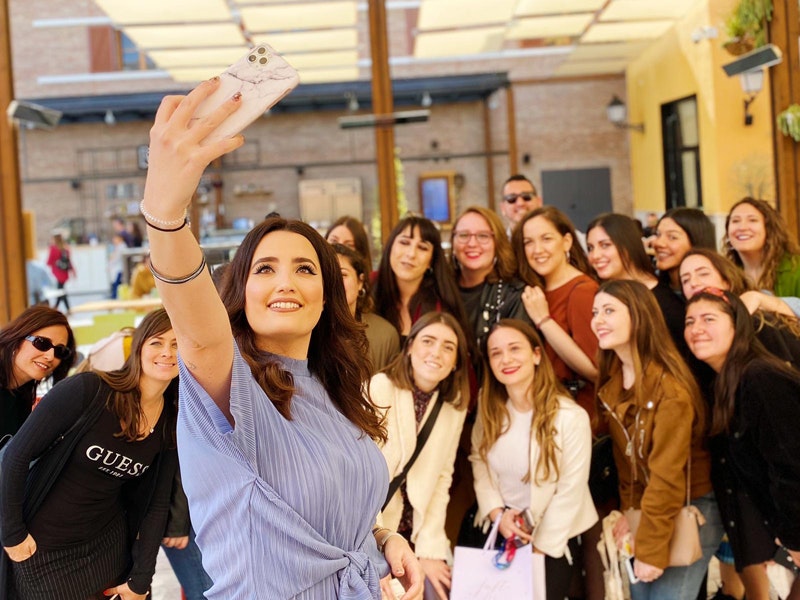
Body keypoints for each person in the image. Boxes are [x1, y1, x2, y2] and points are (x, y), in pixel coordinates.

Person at [139, 78, 422, 599]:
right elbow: (198, 333)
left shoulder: (332, 388)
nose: (285, 282)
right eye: (265, 269)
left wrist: (381, 537)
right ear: (240, 290)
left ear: (327, 295)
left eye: (305, 269)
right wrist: (164, 214)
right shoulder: (227, 381)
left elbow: (334, 499)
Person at [1, 308, 179, 600]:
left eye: (177, 344)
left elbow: (156, 505)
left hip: (106, 547)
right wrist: (12, 536)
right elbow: (15, 457)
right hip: (44, 548)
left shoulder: (171, 423)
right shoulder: (89, 389)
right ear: (139, 347)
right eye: (157, 342)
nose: (167, 353)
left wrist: (142, 578)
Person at [592, 280, 722, 599]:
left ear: (638, 317)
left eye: (609, 310)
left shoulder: (671, 391)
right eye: (595, 312)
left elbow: (667, 476)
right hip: (652, 508)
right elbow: (629, 465)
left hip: (690, 505)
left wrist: (650, 548)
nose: (598, 320)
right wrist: (629, 512)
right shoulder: (613, 384)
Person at [685, 288, 800, 600]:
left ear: (737, 326)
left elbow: (792, 465)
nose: (696, 329)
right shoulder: (725, 384)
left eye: (709, 319)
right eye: (690, 321)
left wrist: (795, 538)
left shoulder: (760, 378)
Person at [470, 319, 597, 600]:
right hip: (502, 530)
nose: (506, 359)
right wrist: (497, 515)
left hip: (553, 538)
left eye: (515, 348)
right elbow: (479, 462)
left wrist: (535, 553)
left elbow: (570, 491)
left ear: (536, 355)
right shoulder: (489, 406)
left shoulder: (570, 417)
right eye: (496, 353)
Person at [373, 312, 471, 600]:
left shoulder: (454, 408)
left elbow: (442, 479)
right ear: (410, 346)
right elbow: (357, 476)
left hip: (416, 532)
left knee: (439, 589)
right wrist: (372, 550)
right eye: (428, 341)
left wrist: (430, 550)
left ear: (455, 363)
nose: (436, 353)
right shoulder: (379, 387)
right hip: (374, 529)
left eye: (448, 347)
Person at [512, 206, 598, 417]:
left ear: (566, 242)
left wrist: (544, 321)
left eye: (546, 239)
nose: (537, 249)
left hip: (576, 413)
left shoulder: (583, 291)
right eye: (528, 242)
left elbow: (596, 371)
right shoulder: (533, 291)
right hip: (542, 410)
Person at [586, 213, 687, 353]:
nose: (595, 256)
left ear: (628, 245)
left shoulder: (664, 304)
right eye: (590, 248)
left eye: (605, 245)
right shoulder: (604, 296)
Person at [679, 249, 800, 365]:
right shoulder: (695, 332)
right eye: (685, 280)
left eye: (703, 274)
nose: (693, 283)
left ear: (727, 280)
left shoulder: (757, 321)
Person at [374, 215, 471, 346]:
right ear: (390, 246)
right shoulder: (366, 289)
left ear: (431, 261)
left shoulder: (441, 307)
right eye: (404, 242)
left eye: (422, 247)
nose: (411, 254)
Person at [450, 206, 531, 350]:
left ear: (497, 242)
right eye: (463, 235)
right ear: (452, 242)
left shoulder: (514, 295)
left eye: (483, 236)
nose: (472, 243)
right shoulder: (440, 288)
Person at [0, 305, 75, 438]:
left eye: (60, 351)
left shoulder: (22, 397)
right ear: (17, 338)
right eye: (42, 343)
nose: (50, 356)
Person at [332, 243, 400, 372]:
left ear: (360, 281)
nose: (334, 281)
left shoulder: (385, 334)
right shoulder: (306, 330)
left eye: (342, 274)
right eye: (327, 274)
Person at [723, 197, 800, 298]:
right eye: (735, 221)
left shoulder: (796, 269)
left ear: (769, 229)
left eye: (752, 220)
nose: (742, 227)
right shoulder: (725, 274)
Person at [651, 207, 716, 293]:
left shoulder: (714, 292)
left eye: (672, 237)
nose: (658, 243)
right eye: (658, 235)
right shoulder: (652, 290)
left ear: (695, 242)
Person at [46, 233, 74, 313]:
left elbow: (48, 262)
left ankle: (57, 308)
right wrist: (73, 271)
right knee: (61, 290)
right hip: (65, 273)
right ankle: (64, 308)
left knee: (60, 291)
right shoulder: (66, 248)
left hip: (57, 273)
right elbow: (69, 262)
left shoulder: (53, 248)